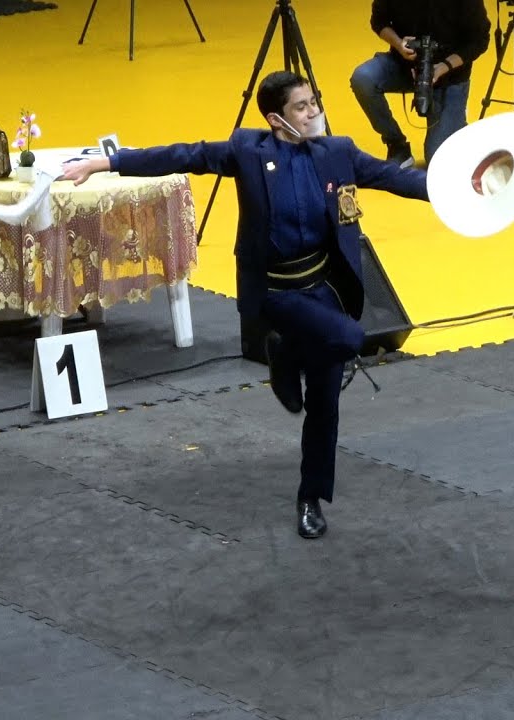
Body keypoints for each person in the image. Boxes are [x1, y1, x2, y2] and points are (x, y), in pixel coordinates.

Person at [61, 71, 429, 540]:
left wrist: (460, 189)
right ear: (277, 119)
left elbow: (395, 177)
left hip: (323, 291)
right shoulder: (248, 151)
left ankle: (310, 497)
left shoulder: (337, 154)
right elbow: (182, 155)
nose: (314, 112)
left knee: (326, 401)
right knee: (352, 338)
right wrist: (108, 164)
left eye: (314, 102)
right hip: (275, 293)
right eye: (301, 107)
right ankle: (285, 353)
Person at [350, 0, 490, 168]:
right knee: (363, 78)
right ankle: (396, 145)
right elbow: (379, 21)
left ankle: (455, 121)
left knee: (437, 159)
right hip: (404, 64)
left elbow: (479, 39)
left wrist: (444, 67)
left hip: (450, 74)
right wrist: (399, 44)